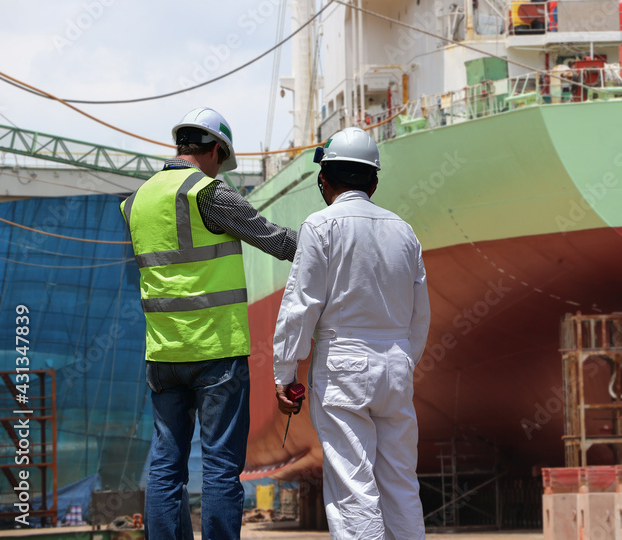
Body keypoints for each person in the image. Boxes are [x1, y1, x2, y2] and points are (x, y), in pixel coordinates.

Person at [120, 107, 298, 540]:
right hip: (217, 352)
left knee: (166, 465)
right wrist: (332, 241)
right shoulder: (208, 194)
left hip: (163, 354)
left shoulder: (134, 202)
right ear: (216, 150)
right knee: (220, 465)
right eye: (222, 160)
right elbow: (275, 240)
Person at [272, 127, 431, 540]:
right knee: (401, 483)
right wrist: (403, 359)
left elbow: (300, 307)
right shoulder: (405, 231)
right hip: (396, 366)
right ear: (374, 182)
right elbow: (420, 316)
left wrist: (285, 375)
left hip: (343, 368)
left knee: (352, 488)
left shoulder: (320, 226)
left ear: (323, 180)